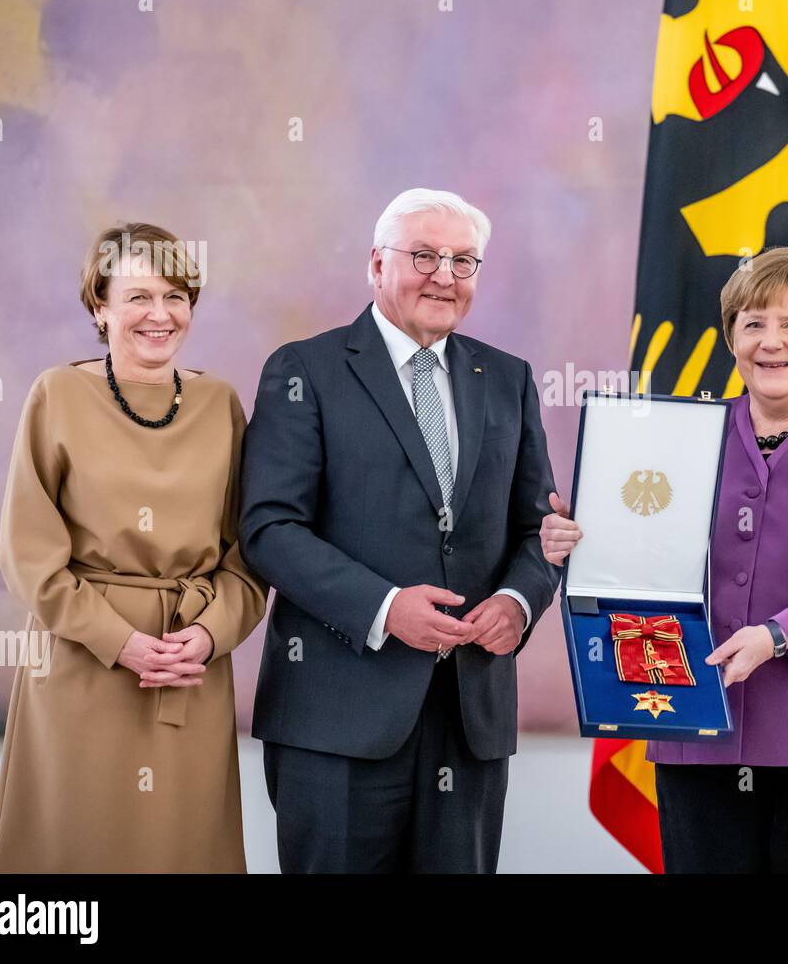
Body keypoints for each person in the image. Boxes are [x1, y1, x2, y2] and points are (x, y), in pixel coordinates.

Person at [542, 247, 788, 873]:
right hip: (698, 731)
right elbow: (641, 557)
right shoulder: (679, 434)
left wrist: (780, 635)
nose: (771, 342)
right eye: (753, 324)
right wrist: (581, 544)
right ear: (731, 339)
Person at [240, 188, 560, 874]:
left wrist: (519, 601)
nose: (444, 275)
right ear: (376, 264)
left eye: (463, 261)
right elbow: (269, 528)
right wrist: (386, 610)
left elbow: (542, 528)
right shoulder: (305, 371)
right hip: (338, 721)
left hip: (469, 717)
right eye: (424, 256)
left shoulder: (507, 378)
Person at [0, 222, 267, 873]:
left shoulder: (220, 404)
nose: (160, 314)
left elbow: (248, 557)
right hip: (83, 669)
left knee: (182, 846)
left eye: (176, 296)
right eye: (138, 296)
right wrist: (121, 642)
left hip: (187, 670)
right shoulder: (56, 395)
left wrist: (205, 635)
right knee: (73, 853)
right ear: (100, 306)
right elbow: (28, 555)